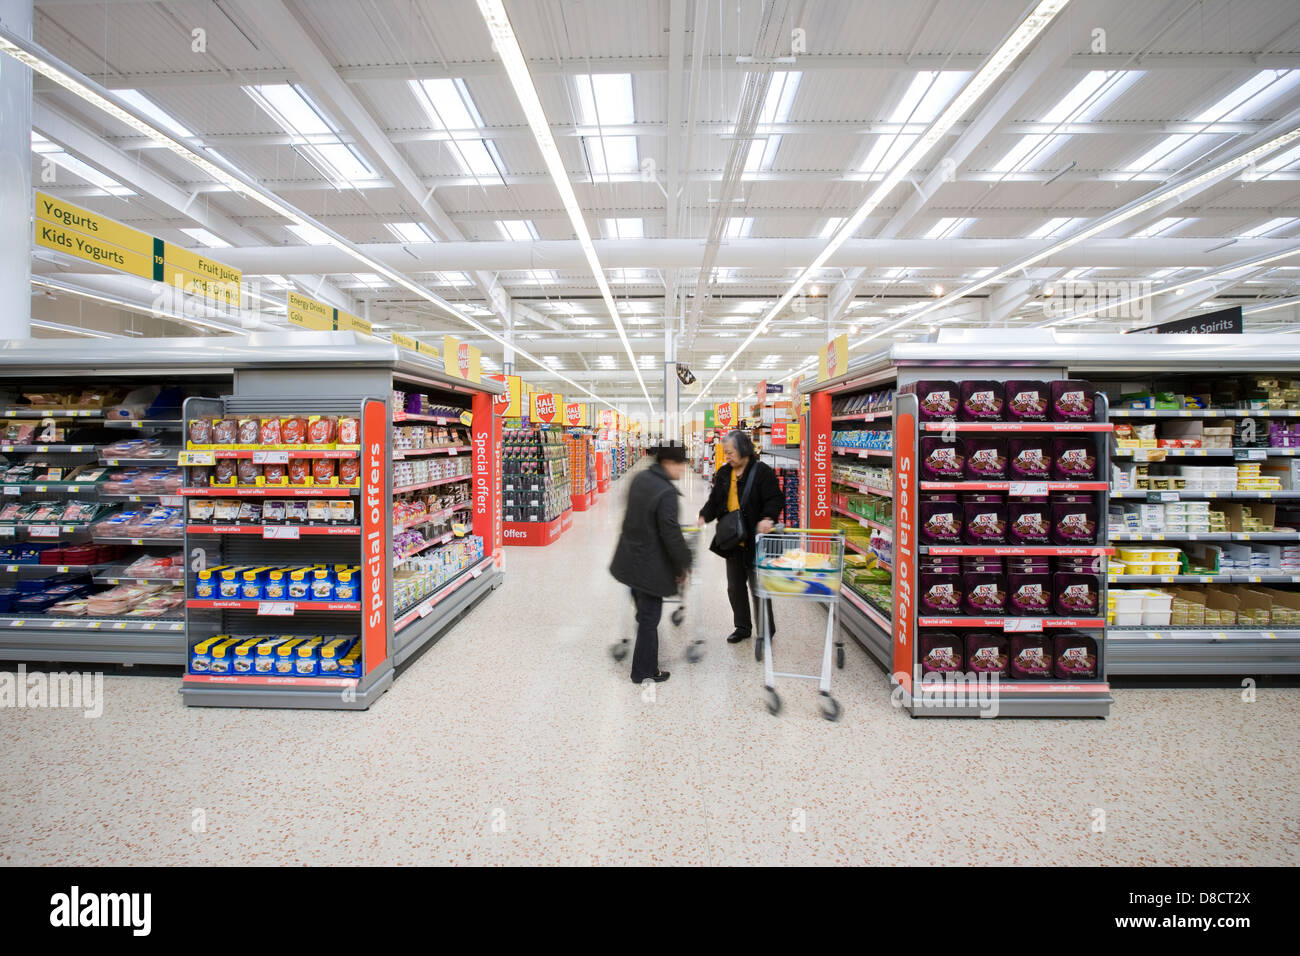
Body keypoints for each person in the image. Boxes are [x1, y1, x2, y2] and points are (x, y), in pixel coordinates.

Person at [609, 441, 693, 684]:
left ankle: (644, 658)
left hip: (629, 559)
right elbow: (671, 535)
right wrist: (683, 564)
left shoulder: (639, 479)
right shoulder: (666, 492)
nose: (683, 470)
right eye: (680, 465)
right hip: (650, 566)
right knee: (649, 618)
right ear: (668, 463)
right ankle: (644, 670)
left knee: (643, 612)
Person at [697, 430, 784, 644]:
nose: (727, 456)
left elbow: (775, 499)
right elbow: (715, 500)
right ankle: (742, 627)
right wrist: (703, 516)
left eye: (730, 452)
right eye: (725, 453)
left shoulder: (762, 472)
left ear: (744, 449)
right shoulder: (724, 473)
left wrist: (767, 518)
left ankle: (765, 631)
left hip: (755, 540)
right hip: (733, 540)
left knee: (758, 587)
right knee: (734, 587)